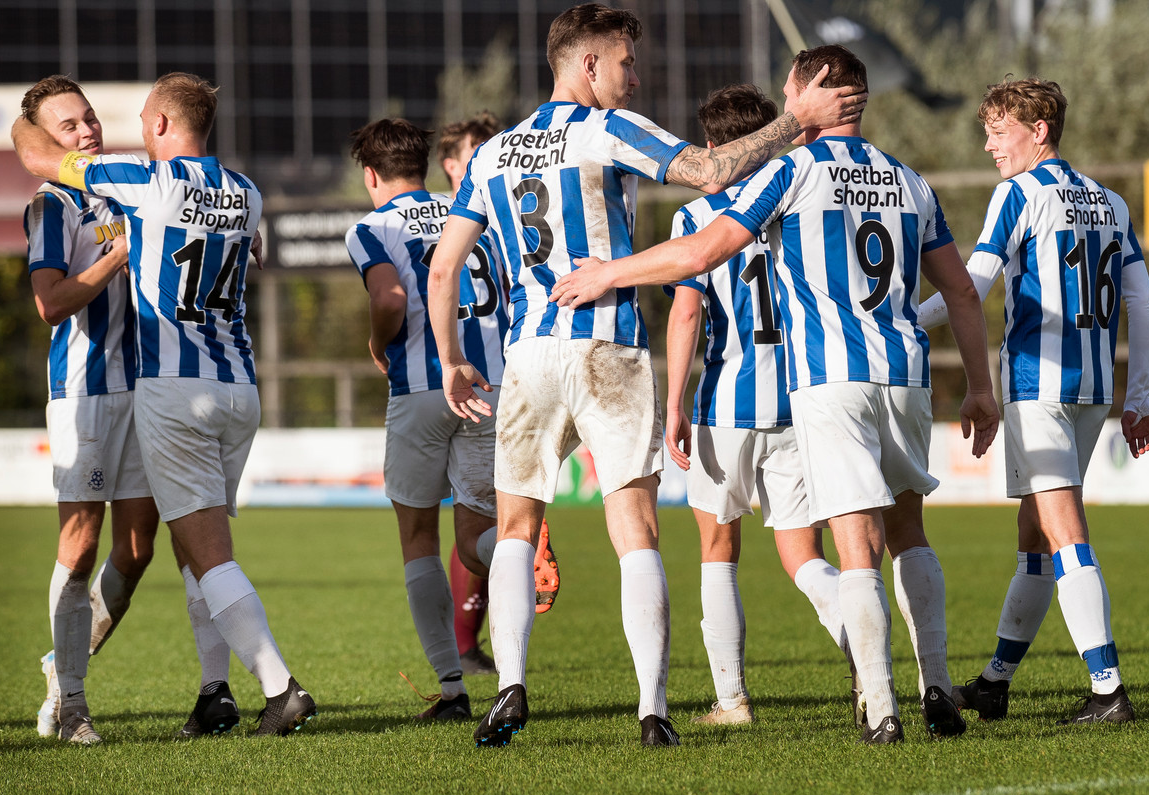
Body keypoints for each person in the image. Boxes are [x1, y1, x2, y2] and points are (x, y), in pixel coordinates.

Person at [427, 3, 867, 749]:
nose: (637, 77)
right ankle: (651, 708)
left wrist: (449, 357)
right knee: (633, 526)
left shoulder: (494, 153)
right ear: (588, 64)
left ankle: (508, 688)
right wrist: (796, 118)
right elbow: (710, 169)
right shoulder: (606, 128)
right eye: (627, 62)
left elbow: (443, 266)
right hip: (606, 346)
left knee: (514, 526)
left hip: (529, 353)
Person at [551, 44, 1000, 745]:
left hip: (826, 380)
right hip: (907, 373)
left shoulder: (790, 170)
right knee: (909, 533)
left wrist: (610, 272)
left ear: (809, 92)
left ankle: (880, 708)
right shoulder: (910, 180)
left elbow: (699, 255)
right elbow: (961, 290)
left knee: (853, 546)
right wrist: (980, 388)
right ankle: (935, 684)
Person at [13, 72, 316, 737]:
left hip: (158, 391)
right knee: (88, 539)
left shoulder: (129, 185)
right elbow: (49, 304)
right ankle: (71, 699)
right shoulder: (55, 204)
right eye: (70, 125)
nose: (88, 130)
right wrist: (115, 258)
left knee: (163, 544)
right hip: (92, 387)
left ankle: (211, 690)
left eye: (90, 118)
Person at [916, 78, 1149, 725]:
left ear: (1038, 130)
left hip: (1037, 386)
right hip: (1091, 391)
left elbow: (972, 286)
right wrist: (1138, 397)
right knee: (1035, 536)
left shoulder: (1018, 194)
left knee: (1063, 534)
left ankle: (1107, 690)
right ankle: (995, 682)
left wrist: (906, 322)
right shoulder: (1109, 200)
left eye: (999, 131)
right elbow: (1142, 300)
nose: (991, 146)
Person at [662, 84, 857, 727]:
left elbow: (687, 311)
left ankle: (730, 701)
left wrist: (674, 403)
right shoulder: (797, 201)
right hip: (800, 401)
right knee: (804, 556)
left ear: (715, 148)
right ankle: (866, 657)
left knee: (718, 550)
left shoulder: (696, 220)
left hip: (727, 400)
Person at [344, 117, 511, 720]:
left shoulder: (371, 226)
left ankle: (450, 692)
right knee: (475, 543)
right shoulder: (473, 209)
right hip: (489, 385)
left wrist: (375, 343)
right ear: (423, 162)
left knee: (419, 538)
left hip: (422, 386)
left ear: (371, 174)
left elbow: (389, 298)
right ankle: (523, 554)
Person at [436, 113, 561, 679]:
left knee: (456, 536)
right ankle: (472, 646)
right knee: (490, 528)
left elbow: (420, 290)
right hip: (514, 379)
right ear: (450, 163)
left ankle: (461, 658)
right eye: (474, 153)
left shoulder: (444, 222)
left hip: (458, 383)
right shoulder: (512, 221)